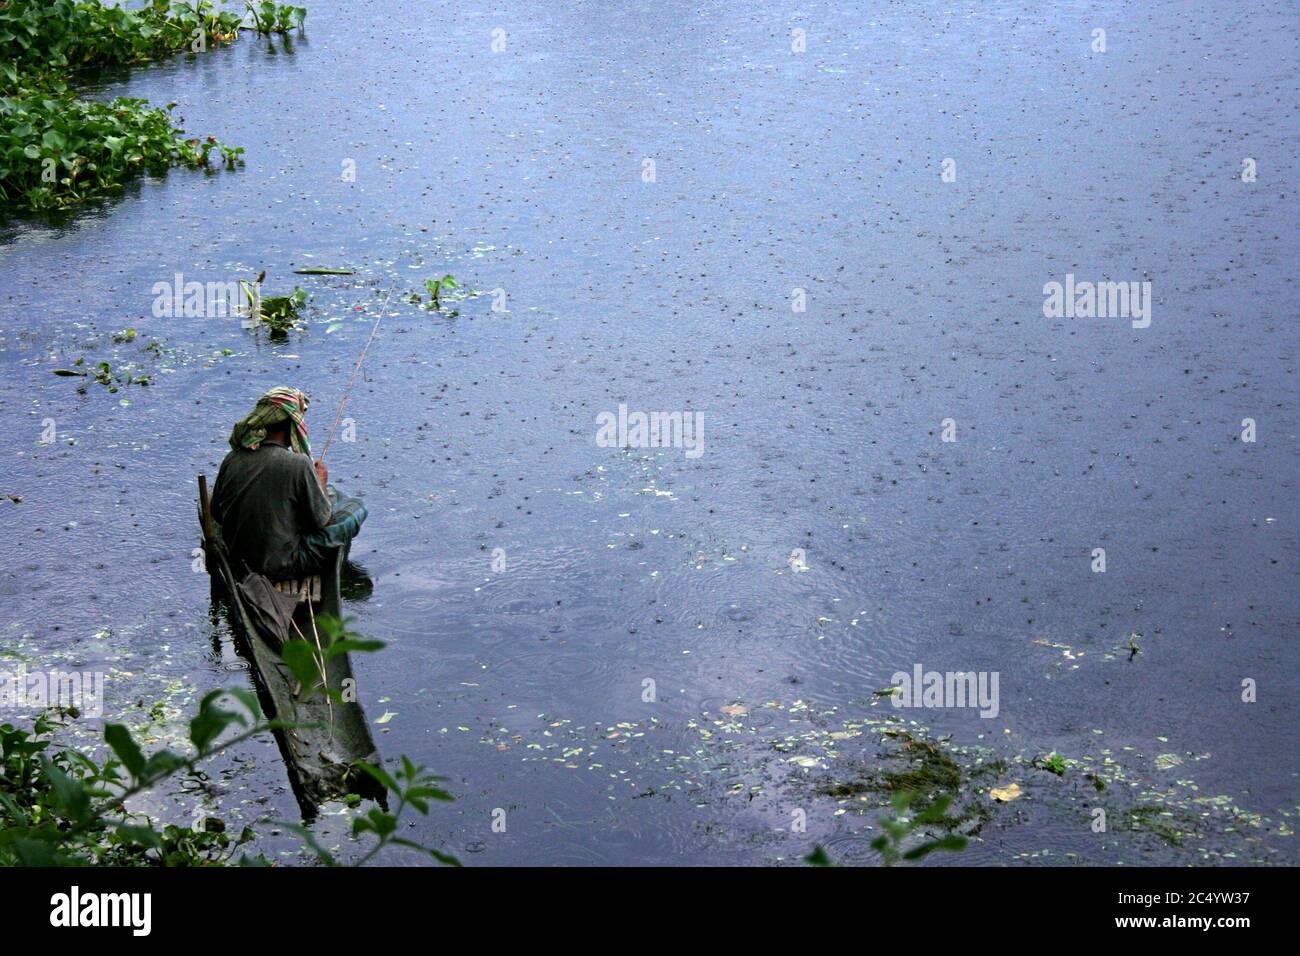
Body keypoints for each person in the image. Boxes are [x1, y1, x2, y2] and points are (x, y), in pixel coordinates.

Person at [210, 386, 366, 580]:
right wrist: (322, 483)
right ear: (290, 425)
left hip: (239, 562)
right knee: (356, 508)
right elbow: (322, 521)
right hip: (282, 566)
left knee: (325, 494)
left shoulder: (233, 458)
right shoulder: (298, 464)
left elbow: (216, 512)